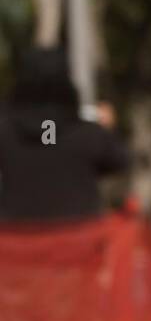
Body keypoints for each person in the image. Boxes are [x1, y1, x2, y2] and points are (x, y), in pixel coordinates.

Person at [0, 47, 128, 221]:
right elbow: (119, 161)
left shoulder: (6, 131)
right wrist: (107, 131)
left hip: (16, 239)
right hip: (78, 239)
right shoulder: (88, 134)